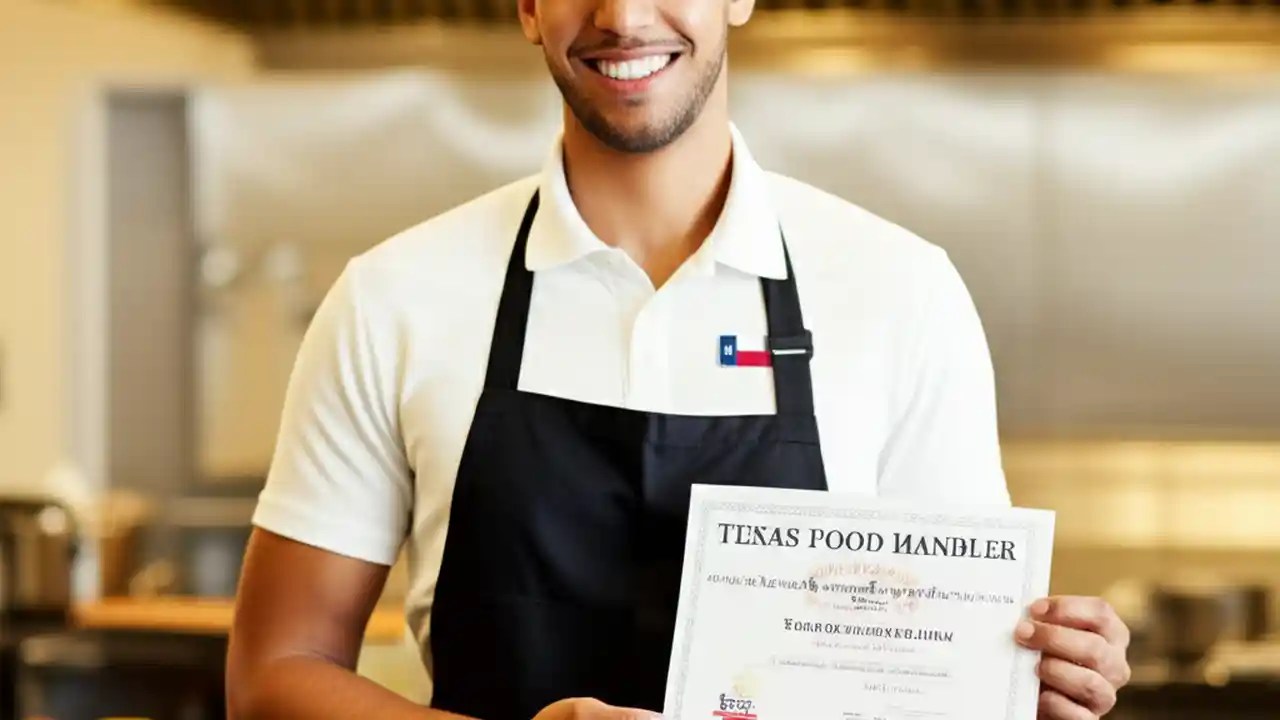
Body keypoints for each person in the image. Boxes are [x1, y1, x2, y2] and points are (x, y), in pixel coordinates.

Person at [226, 0, 1132, 718]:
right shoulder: (394, 298)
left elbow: (943, 675)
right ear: (527, 6)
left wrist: (1026, 684)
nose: (624, 14)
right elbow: (274, 675)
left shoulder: (901, 292)